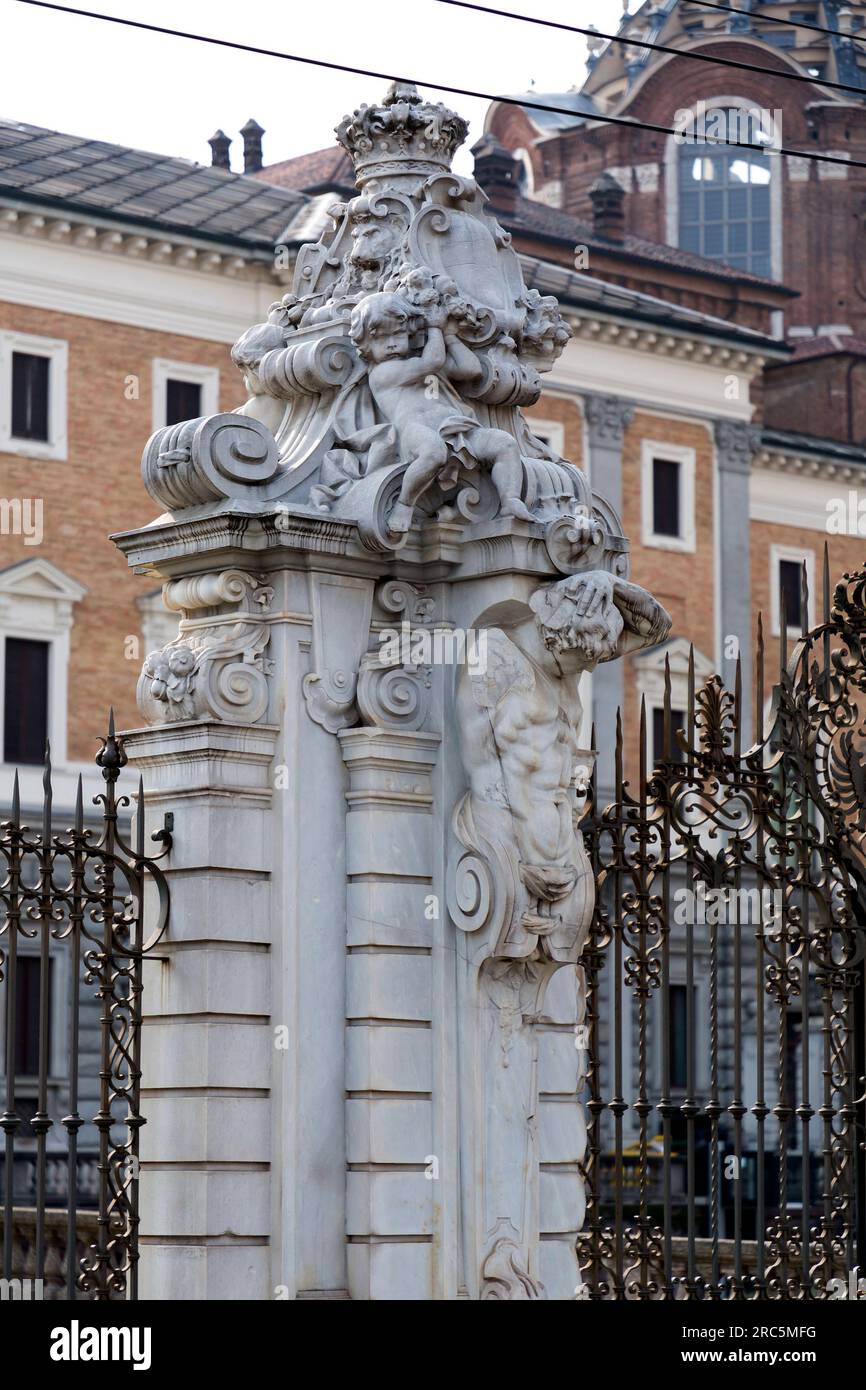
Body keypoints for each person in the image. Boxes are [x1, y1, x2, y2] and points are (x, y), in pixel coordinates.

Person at [348, 291, 533, 533]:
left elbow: (470, 369)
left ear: (411, 333)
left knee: (505, 444)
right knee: (433, 453)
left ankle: (510, 500)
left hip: (456, 426)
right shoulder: (384, 373)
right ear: (365, 346)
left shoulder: (421, 363)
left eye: (398, 334)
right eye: (382, 338)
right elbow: (432, 362)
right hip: (414, 429)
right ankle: (404, 503)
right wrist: (435, 327)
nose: (392, 343)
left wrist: (449, 335)